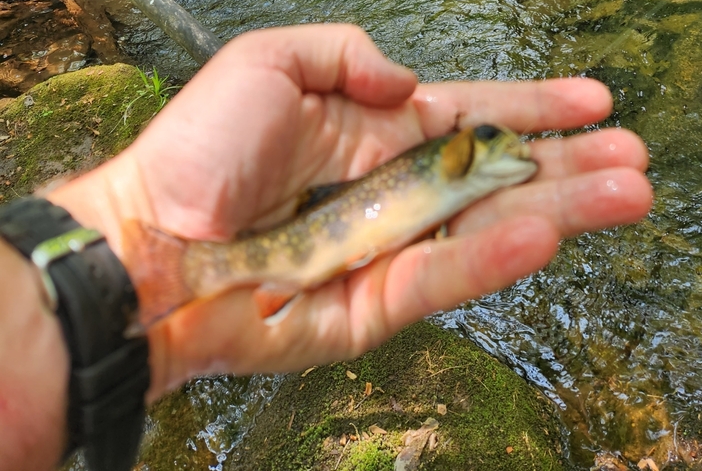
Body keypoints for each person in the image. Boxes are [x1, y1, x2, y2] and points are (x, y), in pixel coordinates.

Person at [0, 24, 653, 471]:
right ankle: (167, 267)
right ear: (467, 151)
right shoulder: (460, 156)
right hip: (315, 239)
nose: (515, 156)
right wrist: (129, 212)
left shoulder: (458, 167)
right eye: (498, 147)